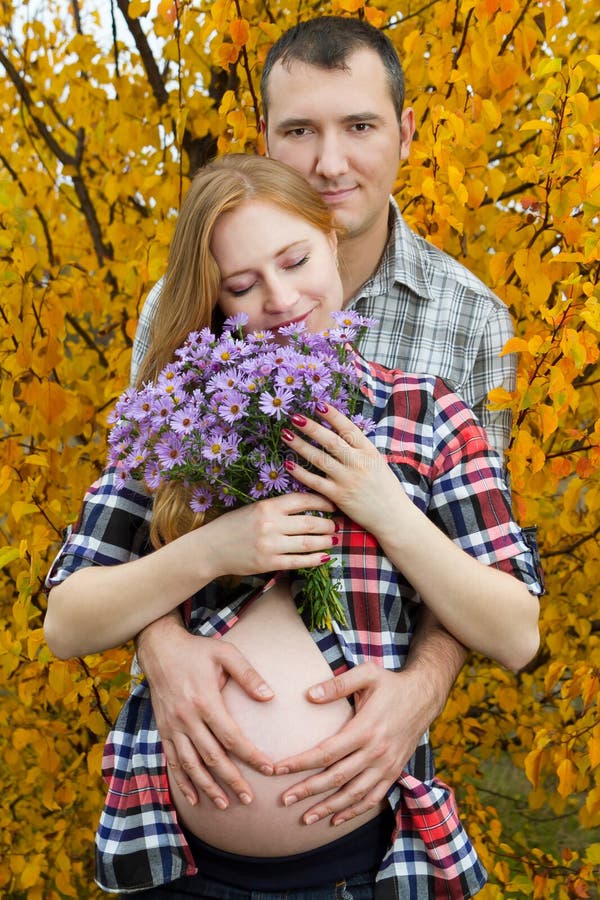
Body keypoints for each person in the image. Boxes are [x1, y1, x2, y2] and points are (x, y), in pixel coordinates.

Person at [44, 154, 542, 897]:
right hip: (177, 862)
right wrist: (213, 549)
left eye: (295, 259)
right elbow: (67, 623)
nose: (278, 298)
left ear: (333, 241)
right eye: (242, 286)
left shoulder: (425, 415)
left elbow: (515, 633)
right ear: (213, 304)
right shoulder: (179, 416)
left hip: (367, 864)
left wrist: (385, 507)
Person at [128, 17, 533, 830]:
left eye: (359, 126)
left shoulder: (473, 322)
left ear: (407, 133)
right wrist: (162, 648)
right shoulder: (189, 314)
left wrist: (416, 697)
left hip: (365, 790)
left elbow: (477, 563)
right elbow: (146, 514)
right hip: (189, 797)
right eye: (299, 131)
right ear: (264, 141)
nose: (330, 162)